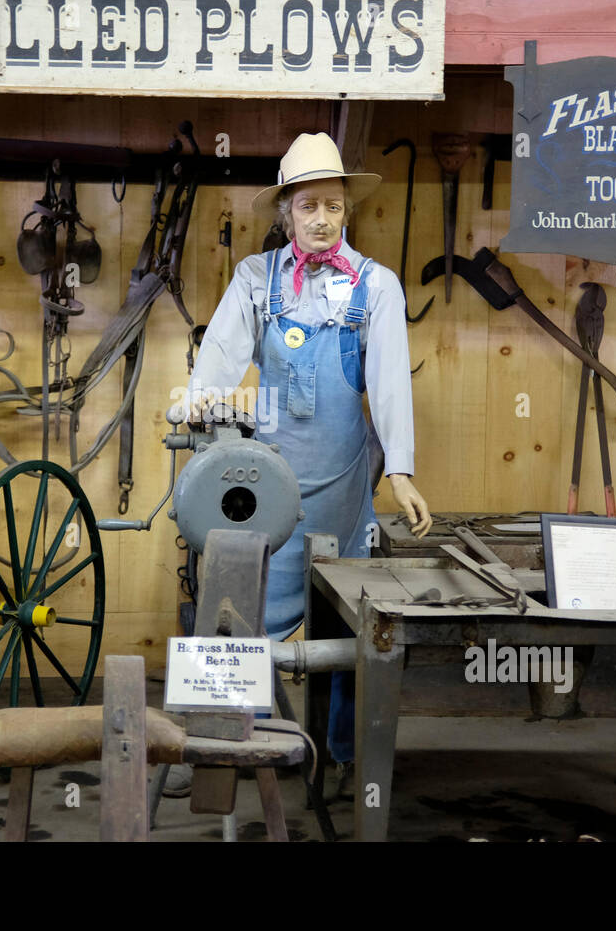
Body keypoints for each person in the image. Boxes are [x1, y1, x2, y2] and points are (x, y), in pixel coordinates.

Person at [178, 131, 432, 797]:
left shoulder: (375, 288)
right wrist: (199, 405)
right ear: (285, 211)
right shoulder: (256, 283)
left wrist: (399, 469)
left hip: (345, 492)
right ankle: (229, 751)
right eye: (309, 204)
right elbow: (217, 367)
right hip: (267, 494)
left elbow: (389, 385)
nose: (322, 219)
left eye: (335, 206)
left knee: (352, 624)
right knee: (236, 612)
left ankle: (345, 754)